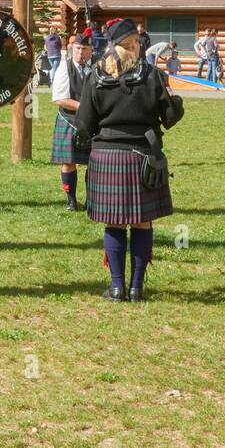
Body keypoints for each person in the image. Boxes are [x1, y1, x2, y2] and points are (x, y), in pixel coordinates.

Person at [73, 18, 184, 302]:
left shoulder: (96, 75)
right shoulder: (153, 75)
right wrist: (177, 103)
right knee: (142, 223)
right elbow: (169, 118)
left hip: (107, 156)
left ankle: (116, 287)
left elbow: (84, 123)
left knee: (114, 223)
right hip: (143, 155)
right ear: (134, 44)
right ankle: (136, 288)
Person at [50, 31, 95, 210]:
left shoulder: (97, 69)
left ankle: (92, 200)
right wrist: (85, 106)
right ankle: (71, 200)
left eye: (84, 49)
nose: (80, 53)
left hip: (92, 122)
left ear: (91, 51)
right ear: (72, 49)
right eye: (77, 48)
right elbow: (59, 99)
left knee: (95, 162)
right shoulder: (64, 67)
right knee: (69, 162)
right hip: (69, 120)